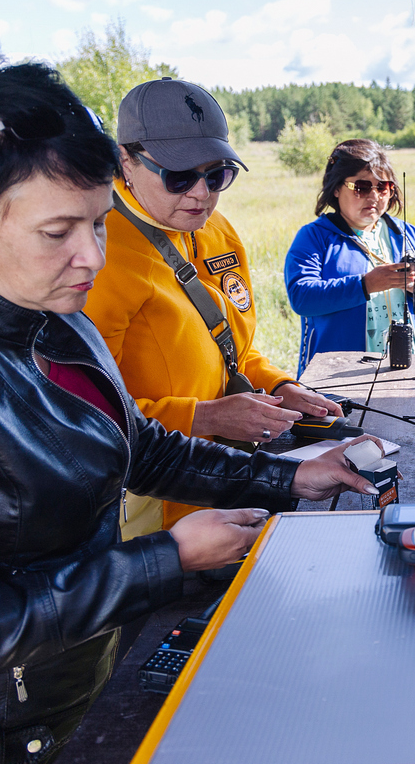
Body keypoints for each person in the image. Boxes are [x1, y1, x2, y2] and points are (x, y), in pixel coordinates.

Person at [0, 62, 379, 764]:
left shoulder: (51, 313)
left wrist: (288, 480)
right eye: (57, 232)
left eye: (100, 223)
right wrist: (161, 562)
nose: (91, 257)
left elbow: (138, 446)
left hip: (68, 682)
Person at [84, 77, 344, 536]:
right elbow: (86, 416)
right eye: (178, 175)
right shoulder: (94, 254)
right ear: (126, 161)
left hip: (235, 476)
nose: (202, 193)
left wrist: (278, 385)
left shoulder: (215, 229)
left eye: (218, 174)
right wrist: (204, 417)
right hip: (157, 512)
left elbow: (230, 348)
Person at [284, 138, 415, 376]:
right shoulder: (314, 237)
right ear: (336, 187)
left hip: (414, 369)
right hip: (340, 376)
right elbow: (302, 297)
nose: (373, 196)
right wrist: (365, 285)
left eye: (382, 187)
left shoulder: (407, 233)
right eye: (361, 187)